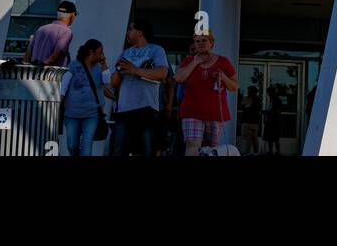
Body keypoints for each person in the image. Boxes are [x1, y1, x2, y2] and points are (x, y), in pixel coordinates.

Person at [109, 19, 169, 157]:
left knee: (148, 150)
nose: (127, 33)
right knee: (119, 150)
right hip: (124, 110)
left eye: (130, 29)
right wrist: (116, 71)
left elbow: (162, 73)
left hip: (146, 108)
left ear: (140, 32)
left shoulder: (156, 50)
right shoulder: (124, 53)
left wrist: (135, 70)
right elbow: (114, 83)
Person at [174, 29, 238, 156]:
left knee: (213, 148)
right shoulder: (188, 61)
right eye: (197, 41)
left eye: (204, 40)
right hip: (191, 111)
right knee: (192, 145)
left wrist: (223, 77)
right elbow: (178, 78)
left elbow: (234, 87)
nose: (200, 43)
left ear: (211, 42)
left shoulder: (223, 61)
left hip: (215, 112)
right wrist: (195, 62)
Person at [61, 39, 110, 157]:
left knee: (86, 144)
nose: (102, 55)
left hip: (91, 114)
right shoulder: (73, 65)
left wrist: (104, 64)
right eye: (100, 52)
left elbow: (107, 82)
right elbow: (63, 87)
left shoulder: (100, 67)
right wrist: (59, 106)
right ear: (91, 52)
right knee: (72, 145)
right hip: (72, 114)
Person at [25, 0, 77, 68]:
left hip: (33, 74)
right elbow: (54, 57)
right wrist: (41, 66)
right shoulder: (67, 32)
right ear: (72, 15)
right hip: (49, 75)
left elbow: (27, 55)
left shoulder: (41, 29)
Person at [238, 86, 261, 156]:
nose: (248, 92)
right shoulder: (246, 98)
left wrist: (247, 102)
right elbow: (242, 104)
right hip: (246, 121)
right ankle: (247, 151)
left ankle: (255, 152)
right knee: (246, 137)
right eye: (248, 91)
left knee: (253, 137)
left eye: (249, 91)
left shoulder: (257, 100)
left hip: (253, 122)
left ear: (254, 92)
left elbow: (254, 109)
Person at [263, 84, 282, 156]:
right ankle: (270, 151)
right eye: (268, 93)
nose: (268, 95)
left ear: (273, 92)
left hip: (275, 122)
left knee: (276, 138)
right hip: (270, 122)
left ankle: (278, 152)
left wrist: (268, 112)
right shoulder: (271, 100)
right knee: (269, 138)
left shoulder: (277, 100)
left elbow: (278, 111)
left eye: (269, 93)